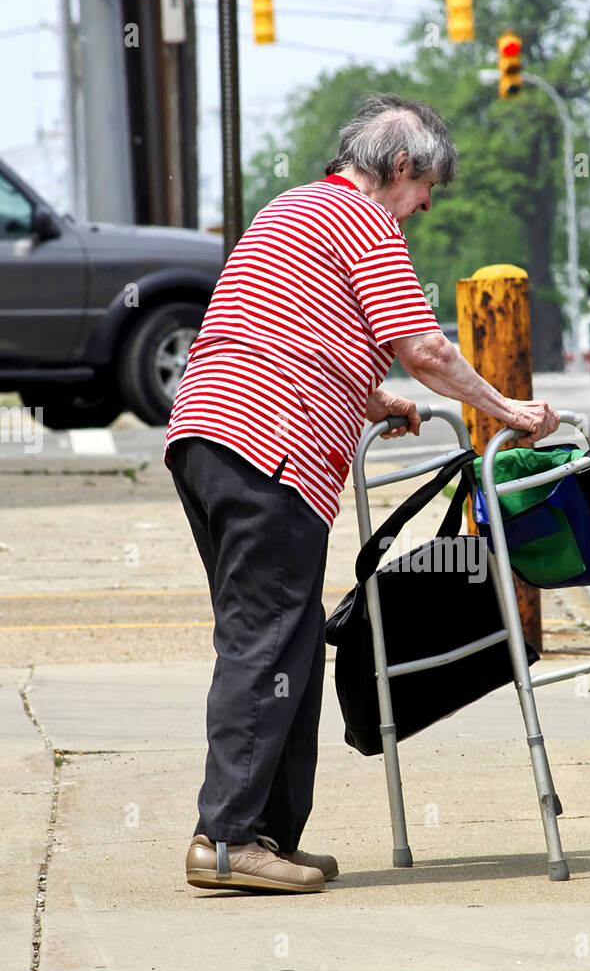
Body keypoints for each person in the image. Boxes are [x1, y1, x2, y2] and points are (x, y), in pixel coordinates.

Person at [165, 93, 559, 895]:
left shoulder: (288, 210)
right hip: (270, 450)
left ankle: (265, 831)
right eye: (426, 191)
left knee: (287, 639)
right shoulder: (364, 220)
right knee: (267, 641)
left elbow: (281, 328)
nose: (420, 210)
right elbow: (425, 348)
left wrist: (371, 399)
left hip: (206, 437)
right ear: (403, 167)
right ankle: (229, 839)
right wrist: (508, 410)